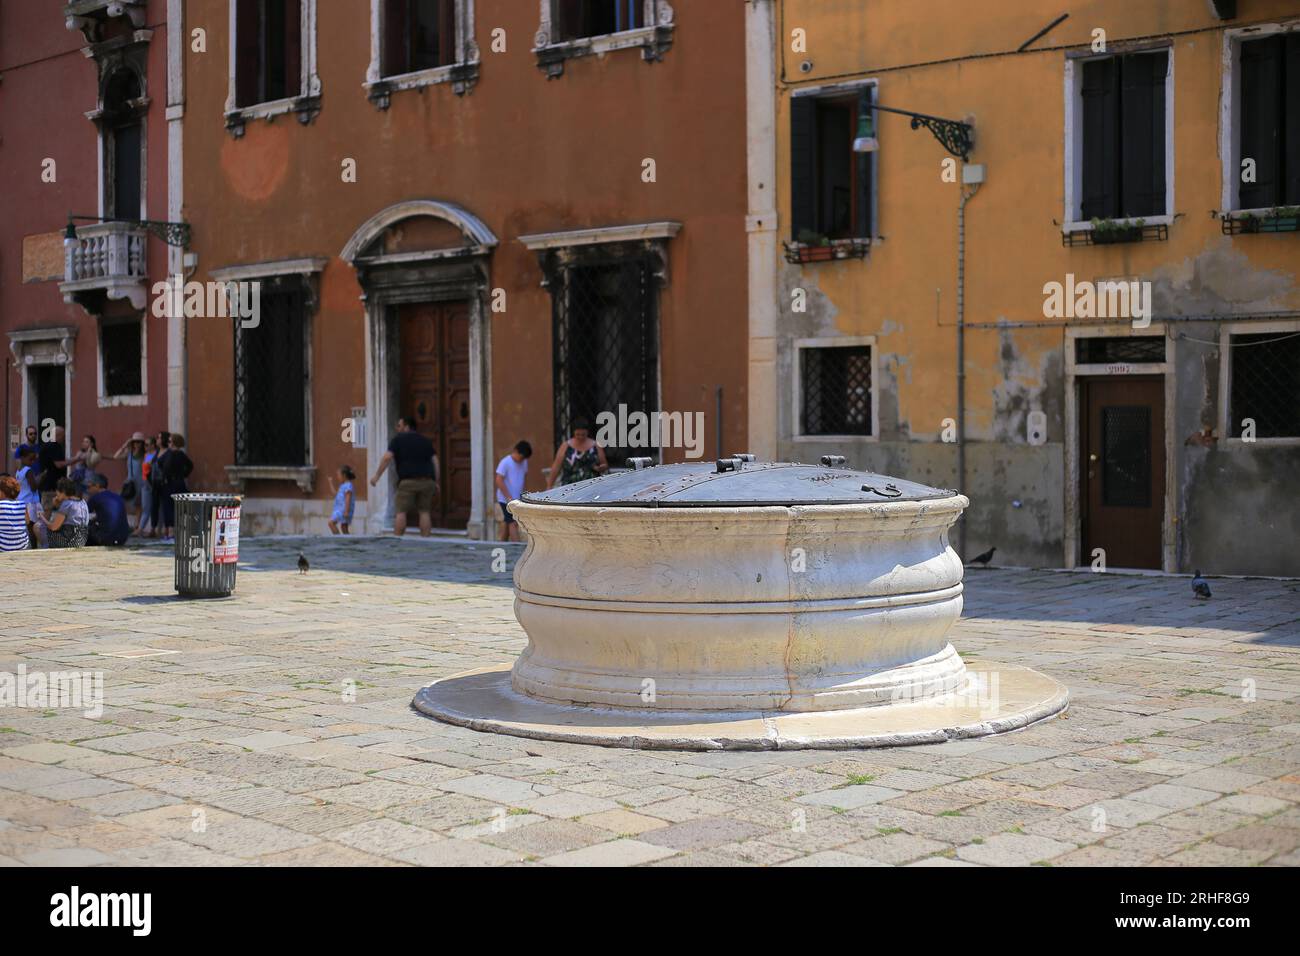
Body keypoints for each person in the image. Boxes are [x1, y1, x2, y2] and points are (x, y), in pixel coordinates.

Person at [370, 416, 438, 537]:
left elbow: (387, 458)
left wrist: (376, 476)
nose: (397, 428)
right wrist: (436, 481)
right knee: (424, 511)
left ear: (407, 427)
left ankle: (397, 541)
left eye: (399, 426)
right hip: (427, 481)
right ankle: (426, 540)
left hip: (408, 482)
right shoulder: (425, 441)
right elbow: (435, 461)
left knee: (401, 511)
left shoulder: (398, 440)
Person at [546, 421, 608, 488]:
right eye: (578, 434)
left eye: (583, 434)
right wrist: (549, 486)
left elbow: (604, 464)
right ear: (574, 432)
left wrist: (600, 468)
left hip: (591, 486)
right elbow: (556, 467)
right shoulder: (566, 446)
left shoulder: (596, 445)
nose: (580, 437)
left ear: (587, 432)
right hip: (570, 486)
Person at [494, 441, 532, 542]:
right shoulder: (505, 462)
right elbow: (498, 480)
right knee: (513, 522)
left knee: (508, 522)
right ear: (515, 451)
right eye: (521, 457)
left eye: (524, 458)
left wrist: (525, 495)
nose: (522, 460)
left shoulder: (524, 462)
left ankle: (502, 544)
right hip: (505, 499)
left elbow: (524, 478)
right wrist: (508, 497)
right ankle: (517, 547)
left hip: (517, 499)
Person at [37, 477, 89, 549]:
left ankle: (46, 549)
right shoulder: (83, 502)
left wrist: (42, 518)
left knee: (39, 526)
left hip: (70, 542)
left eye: (57, 491)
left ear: (63, 491)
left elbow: (54, 527)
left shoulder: (67, 504)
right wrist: (57, 505)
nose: (56, 493)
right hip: (81, 540)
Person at [158, 433, 193, 541]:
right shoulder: (169, 453)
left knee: (173, 507)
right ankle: (169, 531)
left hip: (174, 483)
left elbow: (190, 466)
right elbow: (159, 462)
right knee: (168, 507)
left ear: (174, 443)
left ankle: (172, 532)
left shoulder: (178, 454)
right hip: (169, 483)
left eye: (170, 441)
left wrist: (183, 474)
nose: (168, 443)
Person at [113, 431, 148, 532]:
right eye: (135, 442)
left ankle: (137, 525)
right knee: (123, 503)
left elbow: (151, 463)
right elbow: (116, 456)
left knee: (138, 505)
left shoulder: (145, 455)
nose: (137, 444)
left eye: (139, 442)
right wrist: (125, 445)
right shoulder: (129, 453)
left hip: (141, 483)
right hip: (130, 482)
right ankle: (124, 523)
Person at [85, 473, 131, 547]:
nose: (87, 490)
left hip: (107, 539)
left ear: (97, 485)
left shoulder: (95, 497)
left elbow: (82, 514)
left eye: (89, 487)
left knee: (84, 526)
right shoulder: (116, 496)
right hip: (123, 538)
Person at [13, 445, 41, 548]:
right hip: (30, 503)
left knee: (25, 527)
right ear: (23, 458)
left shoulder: (18, 471)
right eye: (30, 459)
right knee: (32, 527)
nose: (32, 462)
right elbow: (33, 487)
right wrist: (40, 478)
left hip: (21, 501)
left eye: (34, 460)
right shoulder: (28, 470)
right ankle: (33, 548)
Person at [36, 425, 68, 512]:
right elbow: (59, 464)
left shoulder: (46, 446)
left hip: (49, 486)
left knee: (51, 512)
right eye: (63, 436)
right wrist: (76, 459)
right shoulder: (54, 446)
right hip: (51, 487)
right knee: (48, 512)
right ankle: (41, 526)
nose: (64, 438)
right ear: (58, 435)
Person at [0, 475, 29, 552]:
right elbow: (27, 521)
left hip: (3, 545)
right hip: (21, 544)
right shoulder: (22, 504)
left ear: (2, 492)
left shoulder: (1, 505)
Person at [328, 465, 356, 535]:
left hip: (343, 510)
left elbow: (348, 498)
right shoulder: (342, 486)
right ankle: (347, 543)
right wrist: (330, 483)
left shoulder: (348, 485)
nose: (337, 477)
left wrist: (346, 511)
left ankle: (338, 540)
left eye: (338, 475)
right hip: (340, 509)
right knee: (344, 528)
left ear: (344, 475)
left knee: (331, 523)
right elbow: (335, 495)